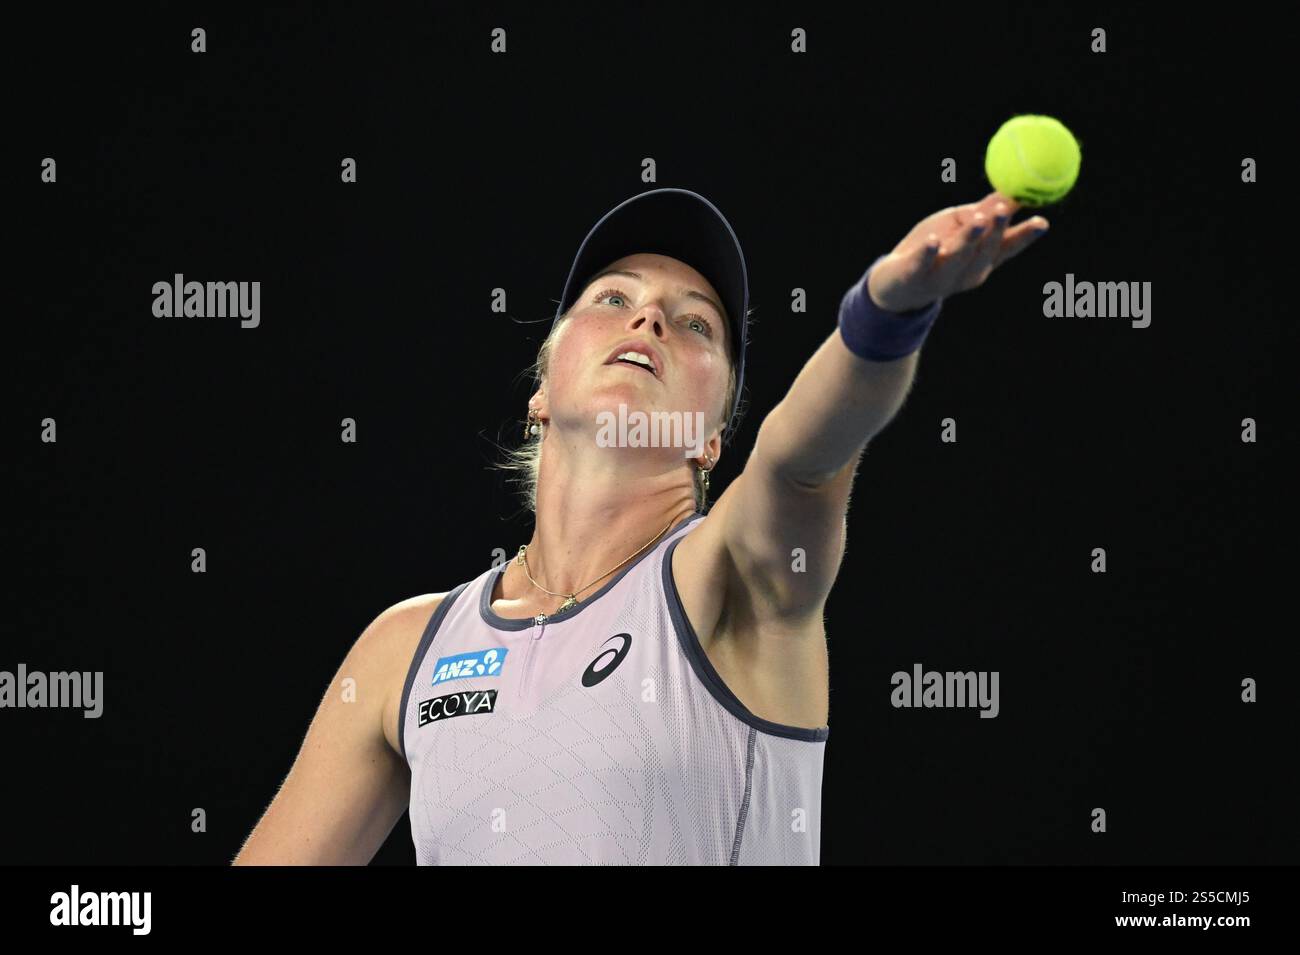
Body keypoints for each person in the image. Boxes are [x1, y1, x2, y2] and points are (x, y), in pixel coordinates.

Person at [233, 187, 1049, 866]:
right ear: (541, 389)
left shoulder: (729, 579)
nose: (650, 317)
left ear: (711, 437)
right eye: (613, 298)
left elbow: (801, 463)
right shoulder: (406, 649)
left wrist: (885, 316)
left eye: (697, 324)